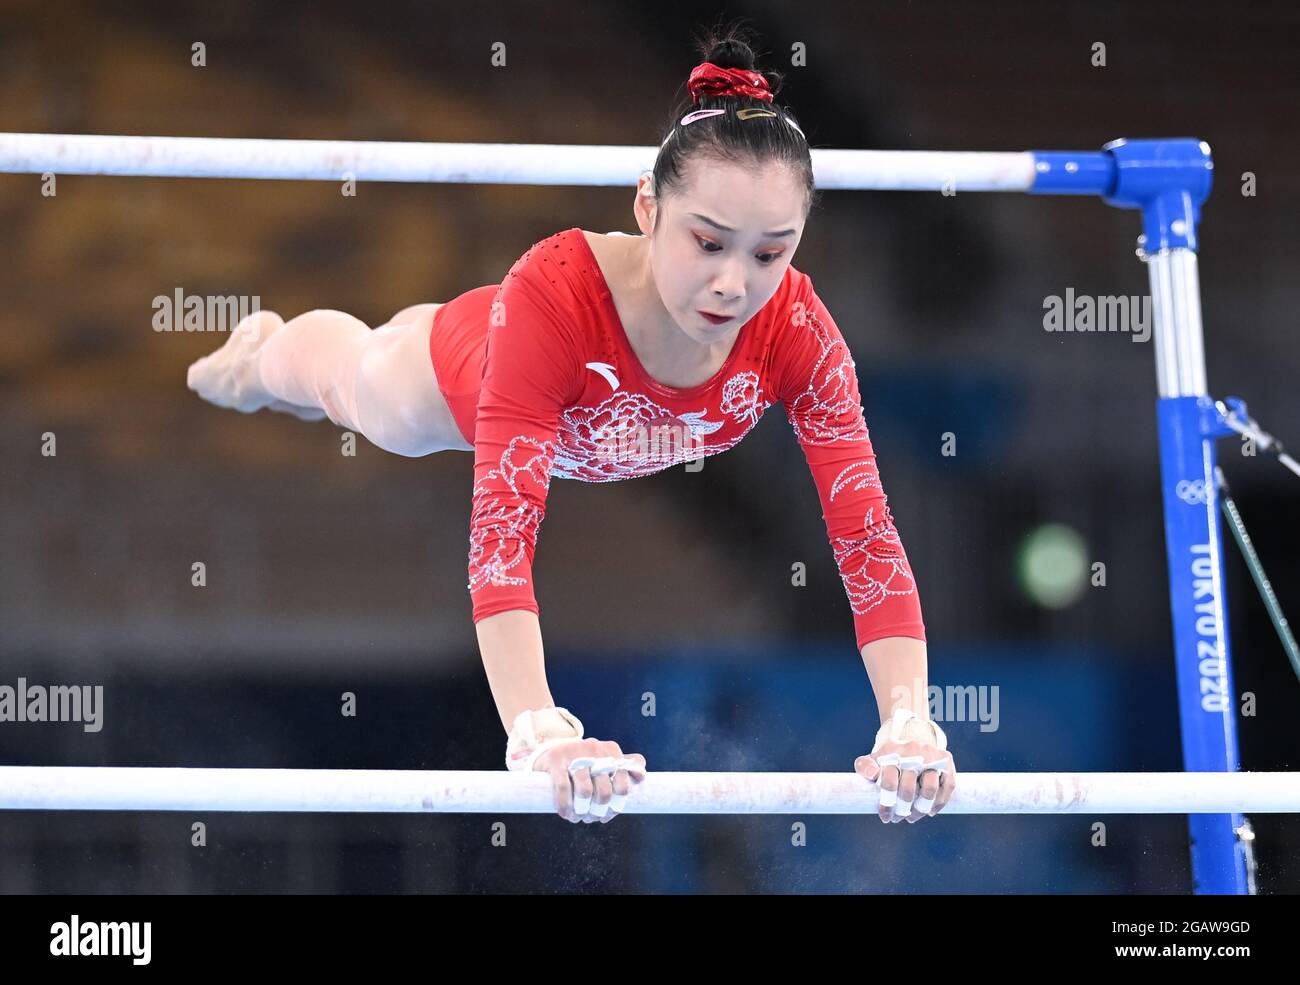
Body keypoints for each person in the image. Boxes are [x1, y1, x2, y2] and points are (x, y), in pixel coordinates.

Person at [186, 24, 957, 826]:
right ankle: (261, 354)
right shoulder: (557, 293)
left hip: (563, 400)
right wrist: (535, 726)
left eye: (771, 253)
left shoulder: (799, 330)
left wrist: (908, 719)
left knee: (398, 355)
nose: (734, 283)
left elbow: (866, 535)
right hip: (472, 371)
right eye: (707, 242)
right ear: (646, 207)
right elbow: (502, 534)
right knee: (366, 386)